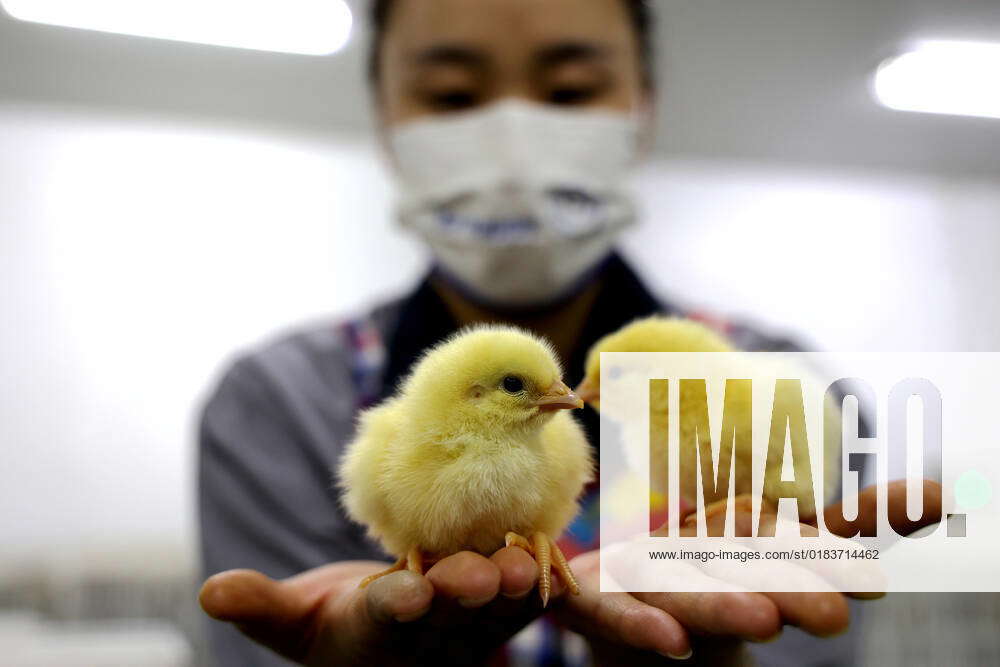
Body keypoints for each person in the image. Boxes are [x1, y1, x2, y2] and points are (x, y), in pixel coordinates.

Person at [197, 1, 941, 665]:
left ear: (643, 111)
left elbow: (816, 633)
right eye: (452, 95)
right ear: (384, 118)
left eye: (572, 92)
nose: (515, 144)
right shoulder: (278, 401)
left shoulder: (781, 378)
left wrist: (717, 654)